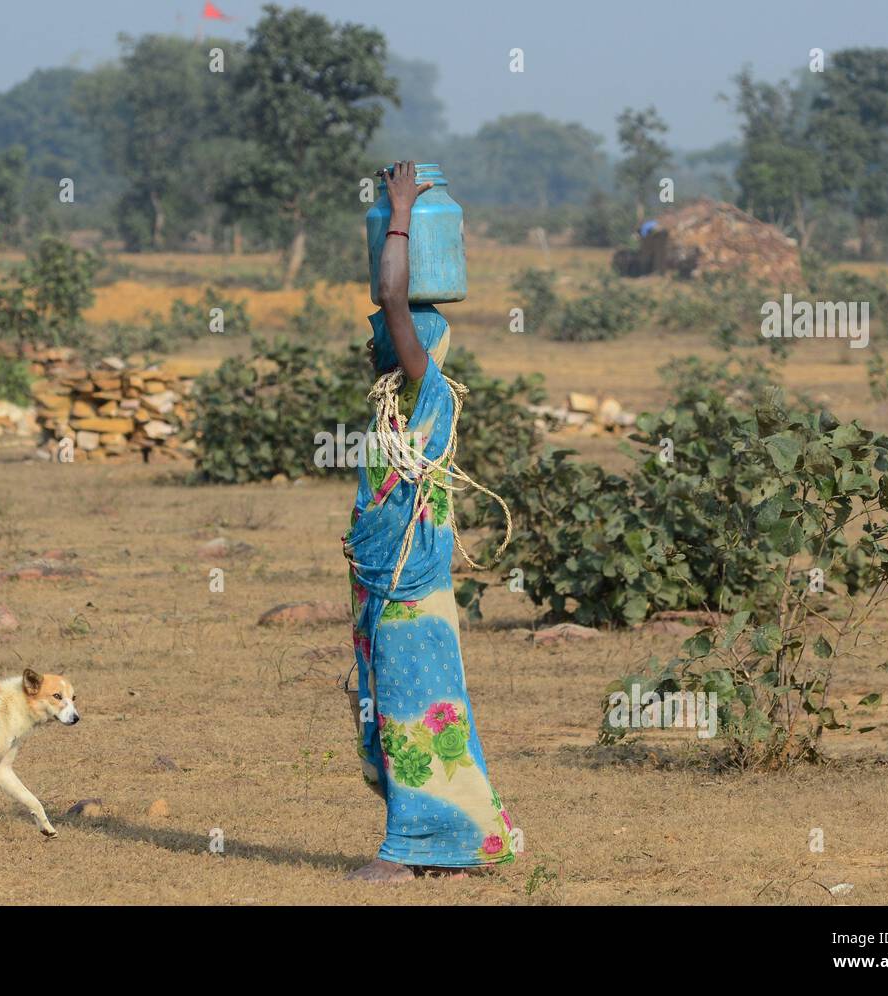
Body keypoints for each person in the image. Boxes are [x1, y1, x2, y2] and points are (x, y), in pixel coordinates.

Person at [342, 161, 514, 882]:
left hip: (408, 582)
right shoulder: (400, 401)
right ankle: (456, 839)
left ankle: (410, 849)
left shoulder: (425, 385)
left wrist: (402, 209)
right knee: (398, 708)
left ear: (416, 340)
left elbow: (390, 290)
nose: (374, 338)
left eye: (388, 331)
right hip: (392, 578)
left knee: (415, 711)